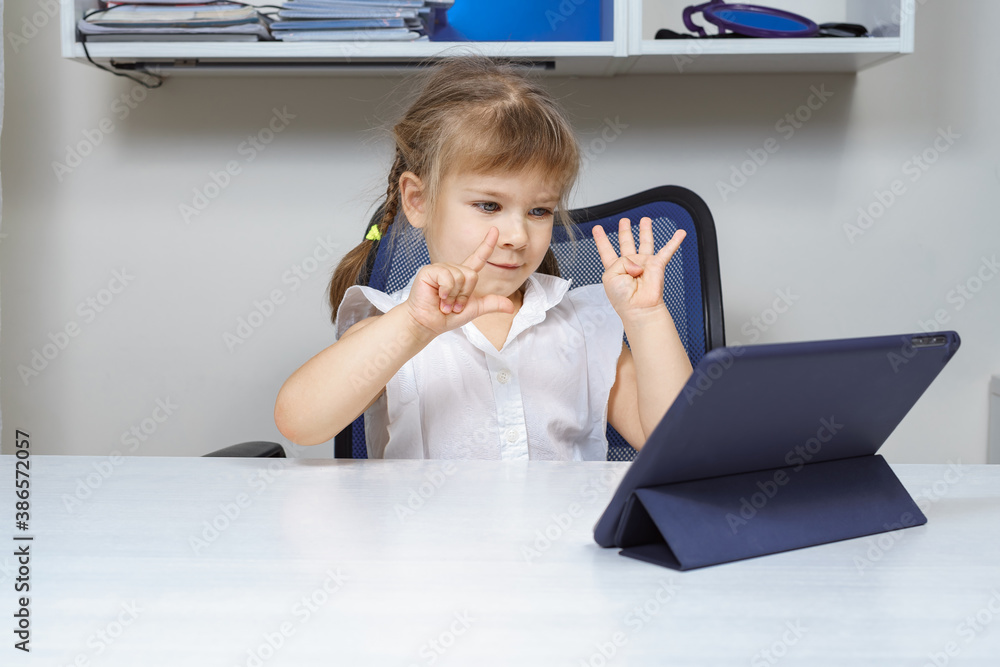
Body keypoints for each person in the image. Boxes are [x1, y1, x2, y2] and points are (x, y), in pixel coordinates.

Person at [274, 56, 693, 460]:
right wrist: (413, 326)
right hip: (430, 533)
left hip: (564, 532)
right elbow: (300, 423)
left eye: (539, 211)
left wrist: (646, 318)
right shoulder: (391, 324)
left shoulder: (583, 327)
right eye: (489, 206)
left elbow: (676, 446)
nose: (516, 236)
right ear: (418, 201)